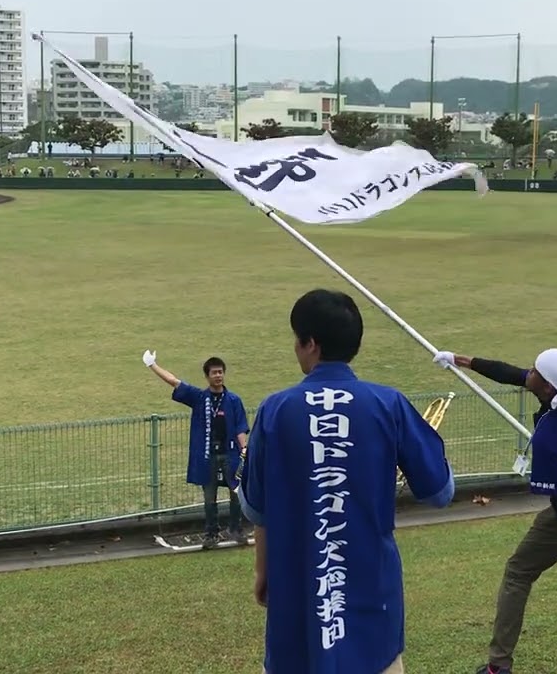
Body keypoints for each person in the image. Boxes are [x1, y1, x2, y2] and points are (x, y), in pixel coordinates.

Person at [238, 289, 455, 674]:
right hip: (374, 610)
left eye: (297, 339)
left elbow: (257, 508)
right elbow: (440, 491)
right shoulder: (388, 404)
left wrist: (263, 572)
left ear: (310, 344)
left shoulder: (275, 410)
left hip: (296, 604)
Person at [435, 348, 557, 674]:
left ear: (550, 388)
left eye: (537, 373)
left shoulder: (552, 438)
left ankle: (498, 666)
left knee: (518, 571)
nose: (530, 374)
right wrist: (461, 360)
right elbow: (512, 373)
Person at [143, 351, 249, 549]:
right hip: (207, 455)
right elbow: (175, 382)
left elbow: (240, 427)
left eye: (220, 372)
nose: (218, 376)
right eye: (214, 373)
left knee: (236, 493)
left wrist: (245, 450)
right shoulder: (200, 398)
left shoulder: (234, 400)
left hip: (230, 454)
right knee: (210, 497)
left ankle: (235, 529)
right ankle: (211, 534)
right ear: (207, 376)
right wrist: (152, 365)